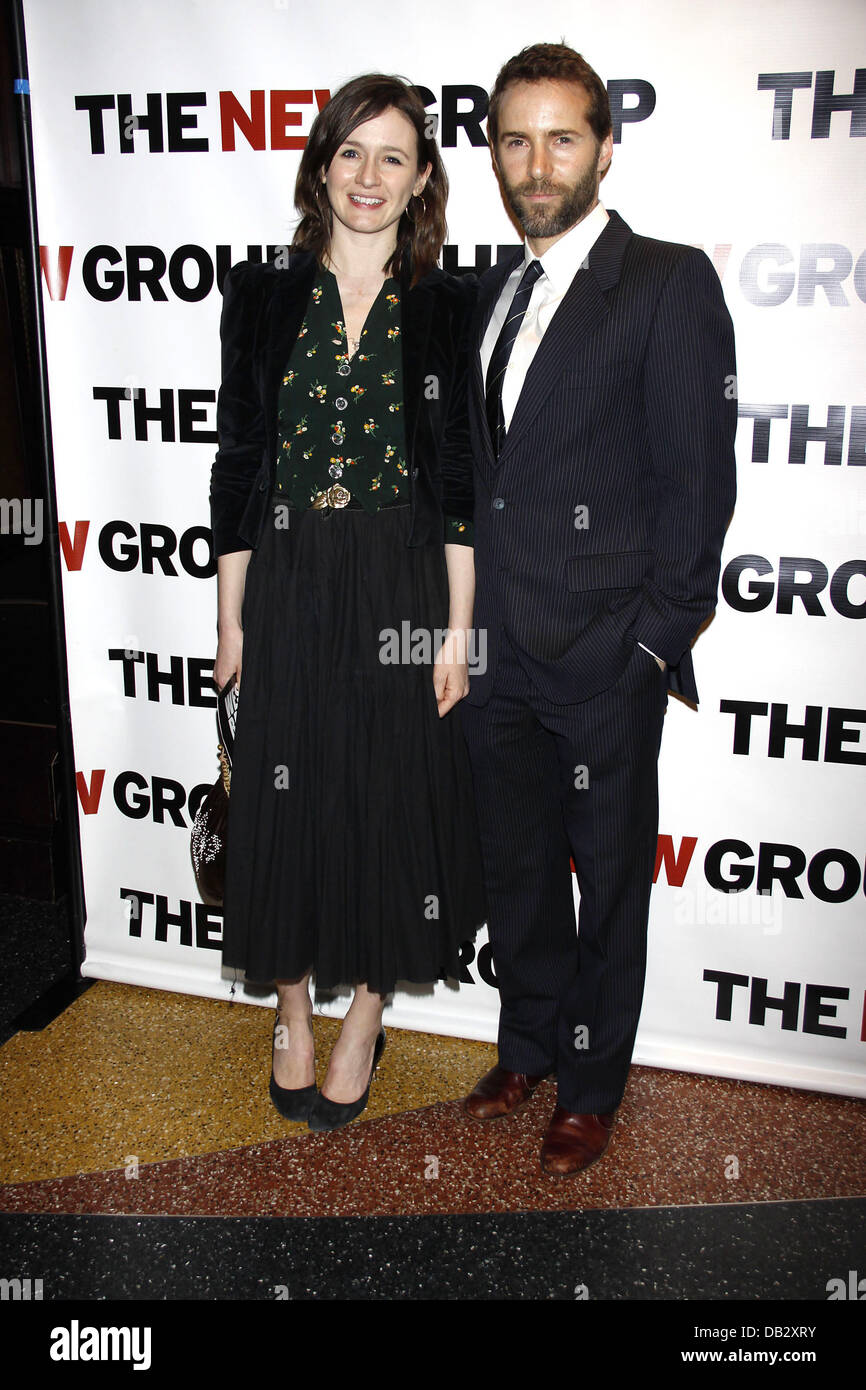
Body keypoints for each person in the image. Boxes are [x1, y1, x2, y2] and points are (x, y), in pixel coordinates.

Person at [458, 43, 737, 1174]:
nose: (537, 162)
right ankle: (525, 1038)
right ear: (493, 154)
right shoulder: (486, 292)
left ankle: (588, 1081)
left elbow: (696, 483)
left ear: (603, 147)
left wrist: (649, 645)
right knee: (516, 866)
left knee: (607, 879)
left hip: (603, 652)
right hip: (495, 656)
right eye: (514, 140)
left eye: (560, 136)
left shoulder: (665, 282)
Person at [210, 74, 485, 1133]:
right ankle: (288, 1007)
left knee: (388, 793)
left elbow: (457, 483)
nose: (368, 177)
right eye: (351, 152)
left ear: (420, 183)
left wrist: (455, 633)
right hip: (285, 566)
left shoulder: (447, 306)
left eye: (393, 158)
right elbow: (237, 465)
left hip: (401, 571)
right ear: (320, 165)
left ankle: (366, 1010)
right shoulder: (262, 297)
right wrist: (232, 618)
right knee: (283, 796)